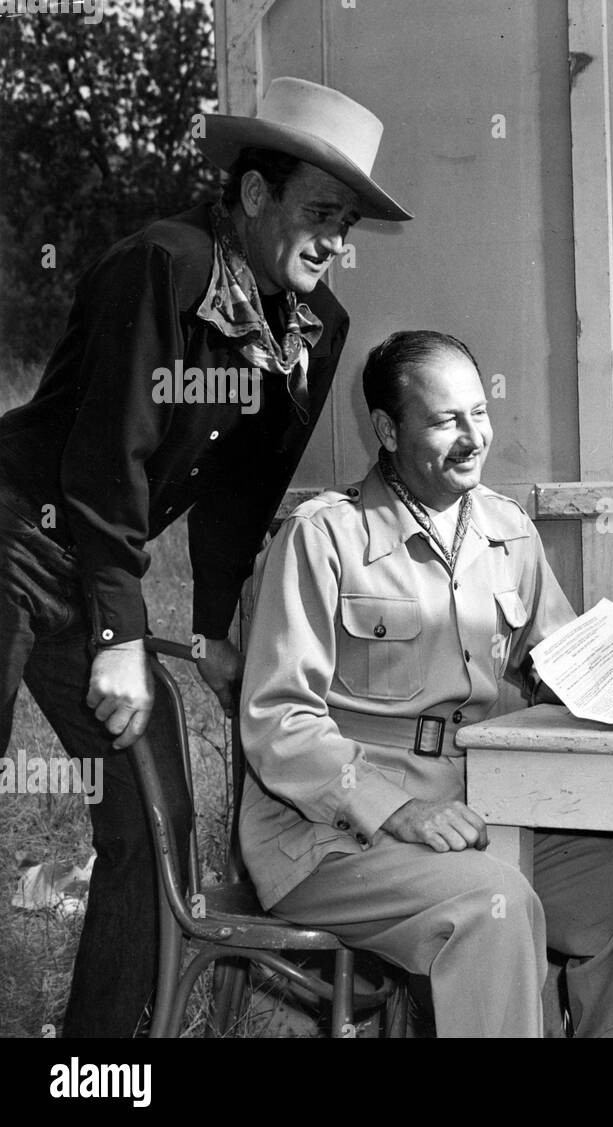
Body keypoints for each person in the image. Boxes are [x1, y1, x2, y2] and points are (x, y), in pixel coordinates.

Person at [0, 77, 411, 1036]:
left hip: (96, 566)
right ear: (253, 194)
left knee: (155, 829)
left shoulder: (317, 327)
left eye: (346, 223)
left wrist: (221, 630)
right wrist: (116, 632)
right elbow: (111, 459)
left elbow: (238, 499)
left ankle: (99, 1063)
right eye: (319, 213)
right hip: (17, 534)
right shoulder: (162, 265)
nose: (334, 242)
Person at [238, 330, 613, 1037]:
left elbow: (556, 668)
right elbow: (277, 722)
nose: (474, 437)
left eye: (480, 413)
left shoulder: (507, 531)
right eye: (447, 420)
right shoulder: (324, 538)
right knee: (490, 904)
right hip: (333, 838)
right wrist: (397, 808)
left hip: (472, 816)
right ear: (387, 428)